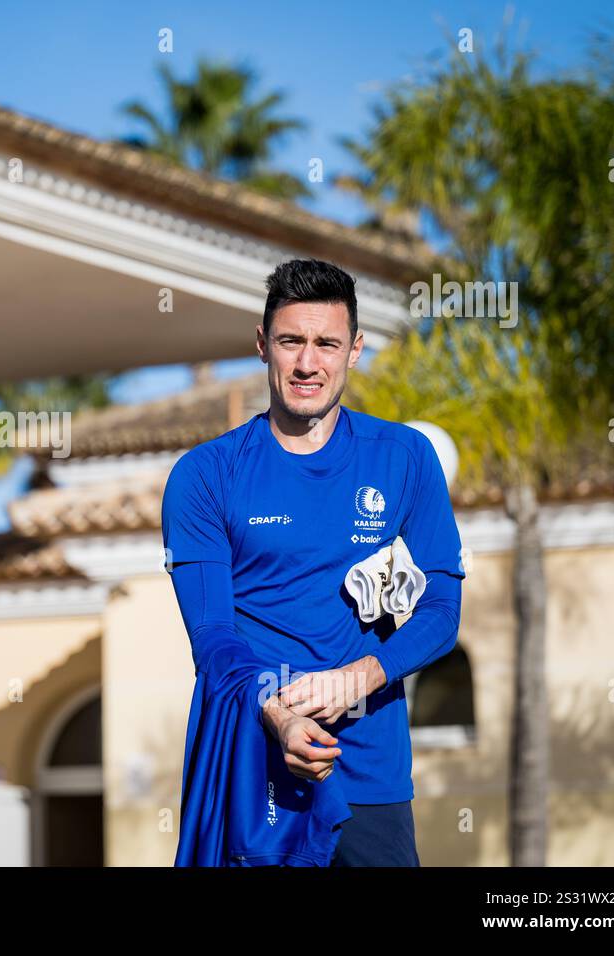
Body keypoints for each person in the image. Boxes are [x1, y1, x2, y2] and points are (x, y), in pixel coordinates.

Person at [162, 258, 465, 866]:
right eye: (290, 341)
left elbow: (442, 607)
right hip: (257, 769)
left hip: (370, 777)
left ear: (355, 349)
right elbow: (215, 639)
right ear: (262, 345)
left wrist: (362, 677)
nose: (307, 363)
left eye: (326, 343)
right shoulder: (205, 476)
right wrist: (276, 711)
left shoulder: (405, 457)